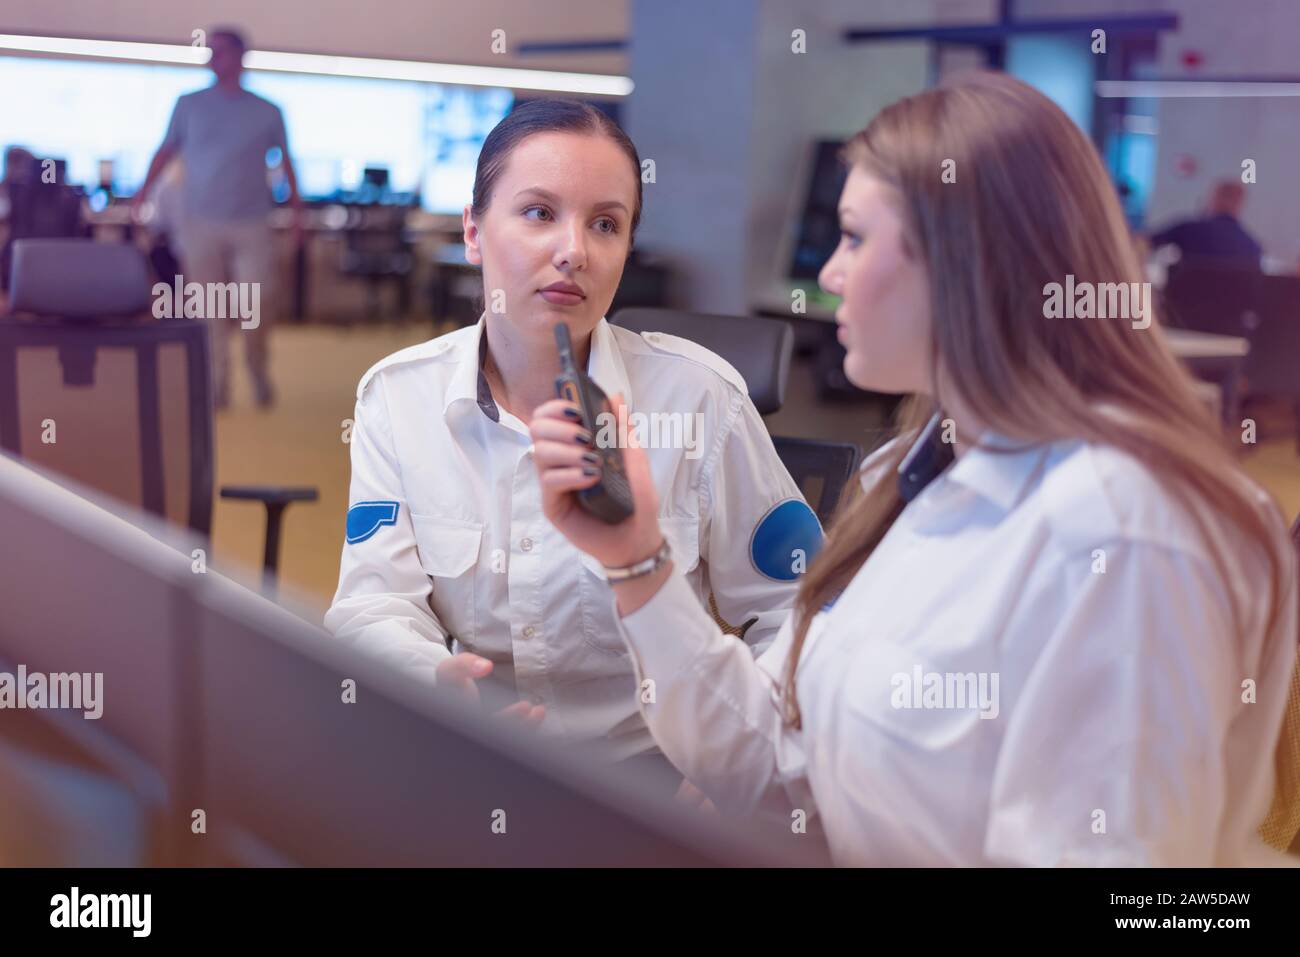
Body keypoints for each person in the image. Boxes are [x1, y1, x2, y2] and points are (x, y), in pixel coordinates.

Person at [531, 72, 1300, 865]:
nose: (829, 274)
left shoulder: (1124, 534)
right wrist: (637, 560)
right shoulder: (918, 470)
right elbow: (782, 767)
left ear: (967, 264)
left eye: (856, 237)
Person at [325, 100, 820, 766]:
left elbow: (803, 615)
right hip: (469, 761)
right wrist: (429, 682)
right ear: (473, 232)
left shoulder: (702, 401)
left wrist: (736, 752)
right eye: (538, 213)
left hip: (654, 778)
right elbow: (373, 602)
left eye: (606, 224)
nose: (573, 252)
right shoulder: (397, 397)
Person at [135, 26, 304, 409]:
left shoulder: (267, 111)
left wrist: (297, 215)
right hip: (200, 222)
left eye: (221, 51)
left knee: (257, 301)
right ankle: (216, 383)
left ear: (241, 57)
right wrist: (141, 193)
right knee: (208, 306)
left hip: (252, 222)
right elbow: (165, 150)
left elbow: (288, 164)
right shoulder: (188, 104)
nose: (213, 58)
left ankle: (257, 367)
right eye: (209, 51)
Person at [1149, 180, 1263, 268]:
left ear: (1213, 198)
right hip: (1231, 299)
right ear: (1240, 204)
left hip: (1186, 296)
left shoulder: (1188, 229)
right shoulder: (1253, 246)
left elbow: (1146, 244)